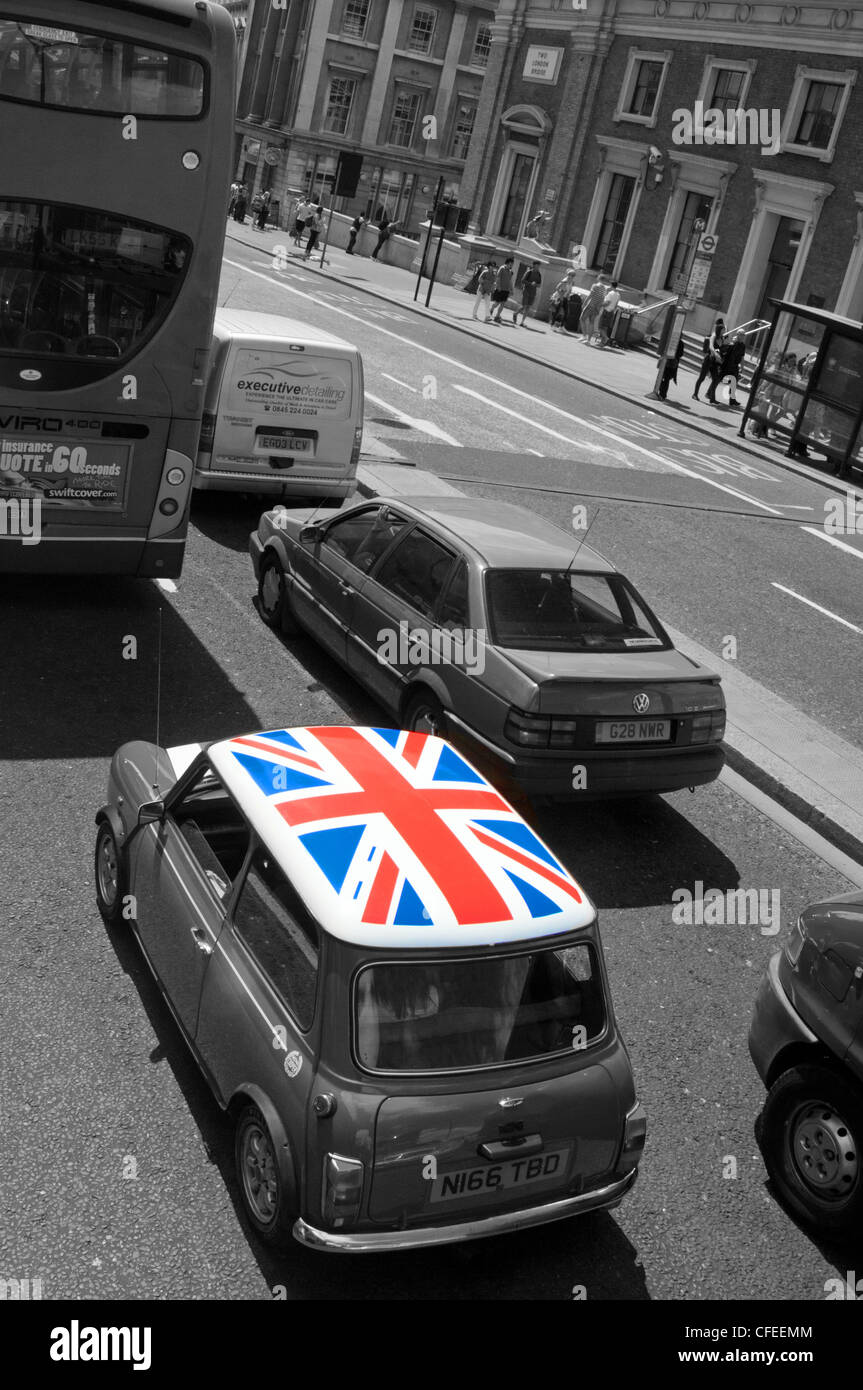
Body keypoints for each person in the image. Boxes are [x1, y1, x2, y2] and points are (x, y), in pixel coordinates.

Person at [693, 317, 725, 400]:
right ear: (719, 330)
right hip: (709, 359)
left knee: (715, 379)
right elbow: (711, 346)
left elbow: (721, 349)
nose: (724, 332)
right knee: (702, 378)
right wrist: (715, 354)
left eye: (724, 330)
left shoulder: (722, 338)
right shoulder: (714, 335)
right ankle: (695, 394)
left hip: (714, 361)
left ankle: (712, 398)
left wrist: (721, 357)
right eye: (722, 330)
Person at [718, 332, 747, 409]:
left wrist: (742, 367)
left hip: (735, 366)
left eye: (743, 335)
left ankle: (732, 400)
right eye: (741, 334)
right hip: (727, 365)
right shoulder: (732, 343)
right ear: (737, 335)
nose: (742, 336)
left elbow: (742, 357)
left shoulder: (743, 346)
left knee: (734, 382)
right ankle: (709, 392)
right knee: (718, 379)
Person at [578, 275, 608, 344]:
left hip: (590, 305)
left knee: (582, 319)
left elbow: (590, 295)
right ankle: (588, 340)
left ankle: (584, 336)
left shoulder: (595, 285)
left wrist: (584, 303)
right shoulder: (604, 289)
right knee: (592, 322)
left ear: (598, 278)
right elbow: (602, 299)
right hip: (597, 307)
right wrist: (598, 307)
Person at [513, 260, 542, 327]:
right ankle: (516, 313)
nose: (538, 267)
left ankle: (522, 322)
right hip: (526, 291)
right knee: (524, 306)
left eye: (539, 266)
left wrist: (536, 284)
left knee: (528, 307)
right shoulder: (529, 272)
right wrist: (530, 283)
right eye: (537, 265)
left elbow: (539, 285)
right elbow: (522, 280)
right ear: (534, 265)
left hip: (533, 292)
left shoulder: (539, 274)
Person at [490, 256, 515, 323]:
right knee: (496, 304)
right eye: (511, 264)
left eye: (512, 264)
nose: (511, 265)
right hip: (500, 289)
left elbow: (510, 281)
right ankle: (491, 309)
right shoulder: (502, 268)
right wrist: (498, 287)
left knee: (503, 304)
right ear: (507, 263)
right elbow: (498, 278)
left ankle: (497, 316)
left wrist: (511, 289)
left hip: (506, 290)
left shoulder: (510, 271)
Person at [597, 281, 621, 347]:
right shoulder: (618, 294)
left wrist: (600, 305)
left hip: (606, 311)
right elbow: (616, 304)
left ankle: (606, 338)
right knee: (605, 328)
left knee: (600, 327)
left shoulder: (611, 293)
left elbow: (607, 302)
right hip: (611, 312)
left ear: (611, 285)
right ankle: (602, 343)